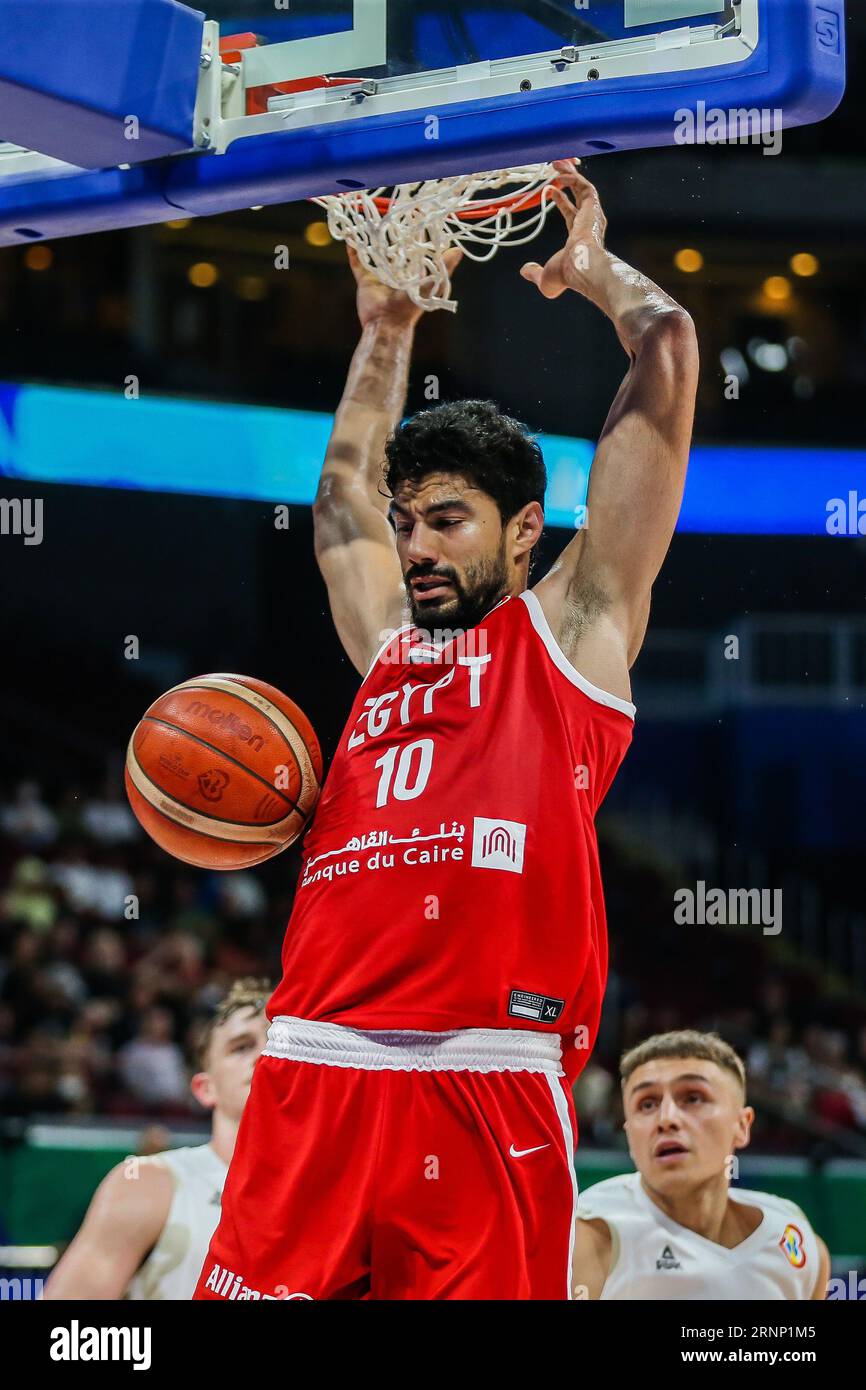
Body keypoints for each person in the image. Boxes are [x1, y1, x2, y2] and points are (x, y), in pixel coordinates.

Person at [195, 162, 700, 1302]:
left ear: (524, 529)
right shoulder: (385, 644)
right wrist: (385, 328)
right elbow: (337, 506)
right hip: (311, 1060)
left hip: (487, 1074)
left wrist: (597, 275)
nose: (415, 547)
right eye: (408, 521)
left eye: (446, 521)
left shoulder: (573, 631)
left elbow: (665, 357)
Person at [44, 979, 269, 1300]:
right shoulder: (151, 1184)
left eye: (278, 1042)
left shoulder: (343, 1195)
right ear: (205, 1088)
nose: (265, 1055)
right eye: (242, 1046)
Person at [572, 1030, 831, 1300]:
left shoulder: (794, 1241)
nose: (666, 1118)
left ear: (742, 1126)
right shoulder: (590, 1235)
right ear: (629, 1134)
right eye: (647, 1104)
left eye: (693, 1098)